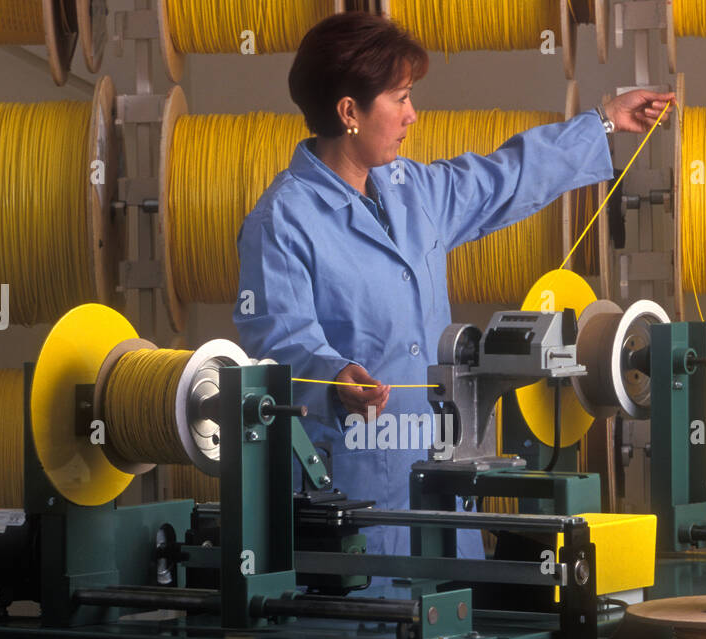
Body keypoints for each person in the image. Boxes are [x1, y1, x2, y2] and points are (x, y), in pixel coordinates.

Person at [233, 11, 673, 561]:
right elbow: (274, 341)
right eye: (400, 98)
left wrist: (603, 122)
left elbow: (503, 177)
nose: (412, 115)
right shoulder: (283, 219)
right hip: (352, 500)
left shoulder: (409, 188)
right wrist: (334, 376)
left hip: (442, 492)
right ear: (350, 111)